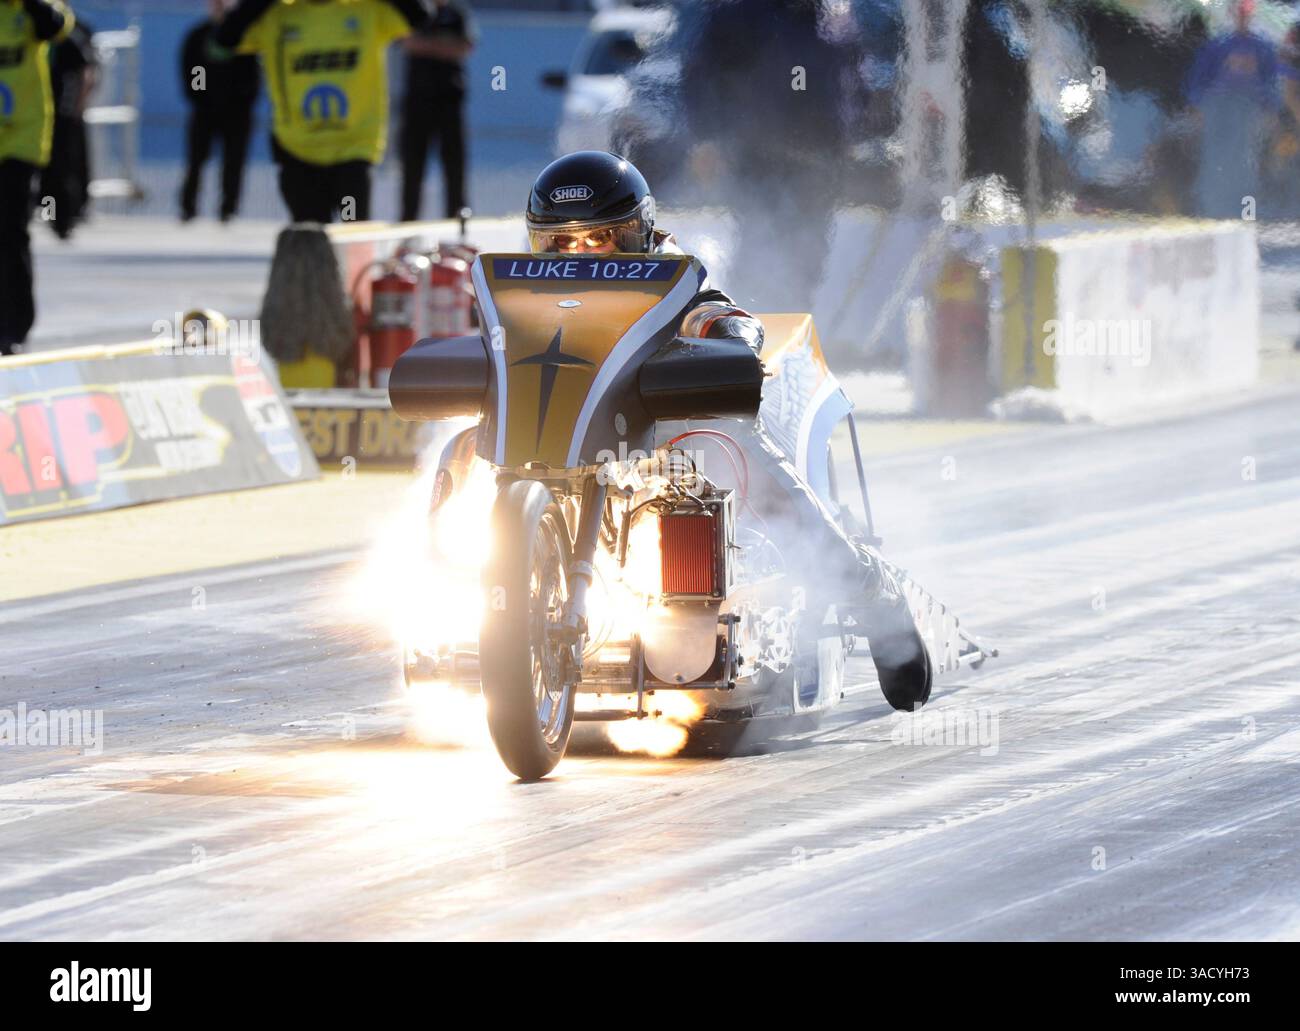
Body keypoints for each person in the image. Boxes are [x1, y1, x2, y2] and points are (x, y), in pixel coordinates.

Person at [523, 151, 932, 707]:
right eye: (562, 243)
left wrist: (729, 336)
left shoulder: (671, 276)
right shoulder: (523, 295)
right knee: (460, 451)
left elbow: (716, 314)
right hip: (559, 437)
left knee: (755, 463)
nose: (581, 254)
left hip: (670, 432)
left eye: (599, 239)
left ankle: (873, 594)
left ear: (637, 233)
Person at [214, 0, 432, 223]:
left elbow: (420, 16)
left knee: (354, 233)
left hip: (353, 149)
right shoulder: (277, 16)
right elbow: (226, 38)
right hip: (298, 150)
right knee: (312, 240)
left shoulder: (366, 10)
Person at [0, 0, 74, 355]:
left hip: (21, 136)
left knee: (11, 229)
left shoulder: (33, 8)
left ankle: (14, 326)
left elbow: (57, 27)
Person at [1186, 0, 1283, 218]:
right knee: (1214, 154)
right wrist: (1196, 107)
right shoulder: (1218, 45)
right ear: (1232, 14)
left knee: (1246, 158)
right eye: (1239, 13)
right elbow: (1199, 78)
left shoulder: (1263, 46)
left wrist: (1271, 111)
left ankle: (1243, 210)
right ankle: (1209, 208)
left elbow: (1270, 81)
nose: (1242, 18)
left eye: (1246, 14)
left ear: (1252, 15)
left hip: (1248, 108)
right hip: (1218, 107)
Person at [179, 0, 260, 223]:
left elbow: (252, 74)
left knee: (233, 163)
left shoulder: (243, 36)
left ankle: (228, 208)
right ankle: (188, 207)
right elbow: (193, 70)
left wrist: (242, 100)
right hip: (205, 111)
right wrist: (201, 96)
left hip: (237, 113)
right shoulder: (199, 36)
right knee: (196, 161)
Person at [398, 0, 476, 221]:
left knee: (454, 161)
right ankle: (408, 218)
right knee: (413, 162)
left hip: (449, 100)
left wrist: (427, 45)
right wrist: (442, 45)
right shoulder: (413, 11)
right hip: (418, 101)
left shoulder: (457, 13)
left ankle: (457, 214)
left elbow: (464, 46)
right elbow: (407, 43)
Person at [40, 14, 96, 239]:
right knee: (46, 167)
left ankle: (64, 218)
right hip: (37, 113)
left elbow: (86, 72)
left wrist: (78, 106)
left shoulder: (70, 33)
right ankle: (48, 212)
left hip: (63, 112)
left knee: (64, 166)